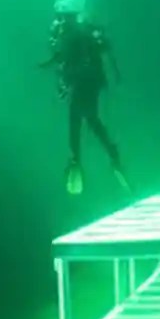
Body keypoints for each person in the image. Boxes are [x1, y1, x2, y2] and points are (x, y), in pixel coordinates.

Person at [40, 11, 129, 195]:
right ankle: (112, 154)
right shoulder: (83, 34)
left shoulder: (69, 35)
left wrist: (50, 68)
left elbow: (60, 60)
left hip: (82, 83)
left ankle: (77, 158)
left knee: (77, 119)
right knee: (91, 119)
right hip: (92, 83)